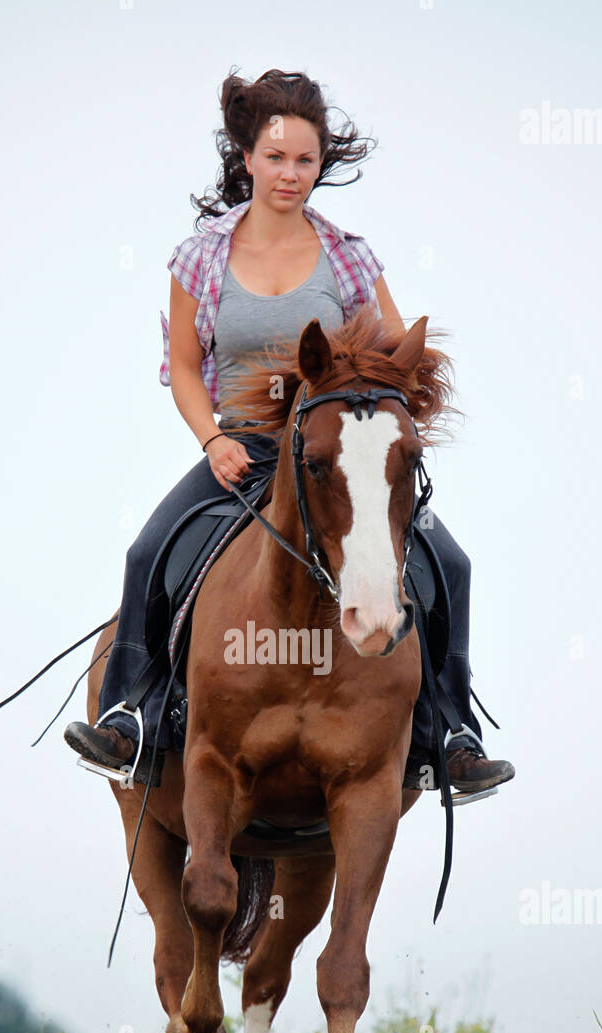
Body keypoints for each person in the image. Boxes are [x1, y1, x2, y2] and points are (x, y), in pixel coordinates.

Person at [65, 68, 514, 796]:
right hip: (242, 453)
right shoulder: (200, 256)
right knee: (147, 551)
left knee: (451, 566)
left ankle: (450, 734)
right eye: (275, 157)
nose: (290, 174)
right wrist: (213, 440)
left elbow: (399, 357)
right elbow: (183, 366)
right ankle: (130, 718)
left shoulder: (349, 256)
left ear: (319, 166)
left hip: (336, 458)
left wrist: (384, 420)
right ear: (247, 158)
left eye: (305, 160)